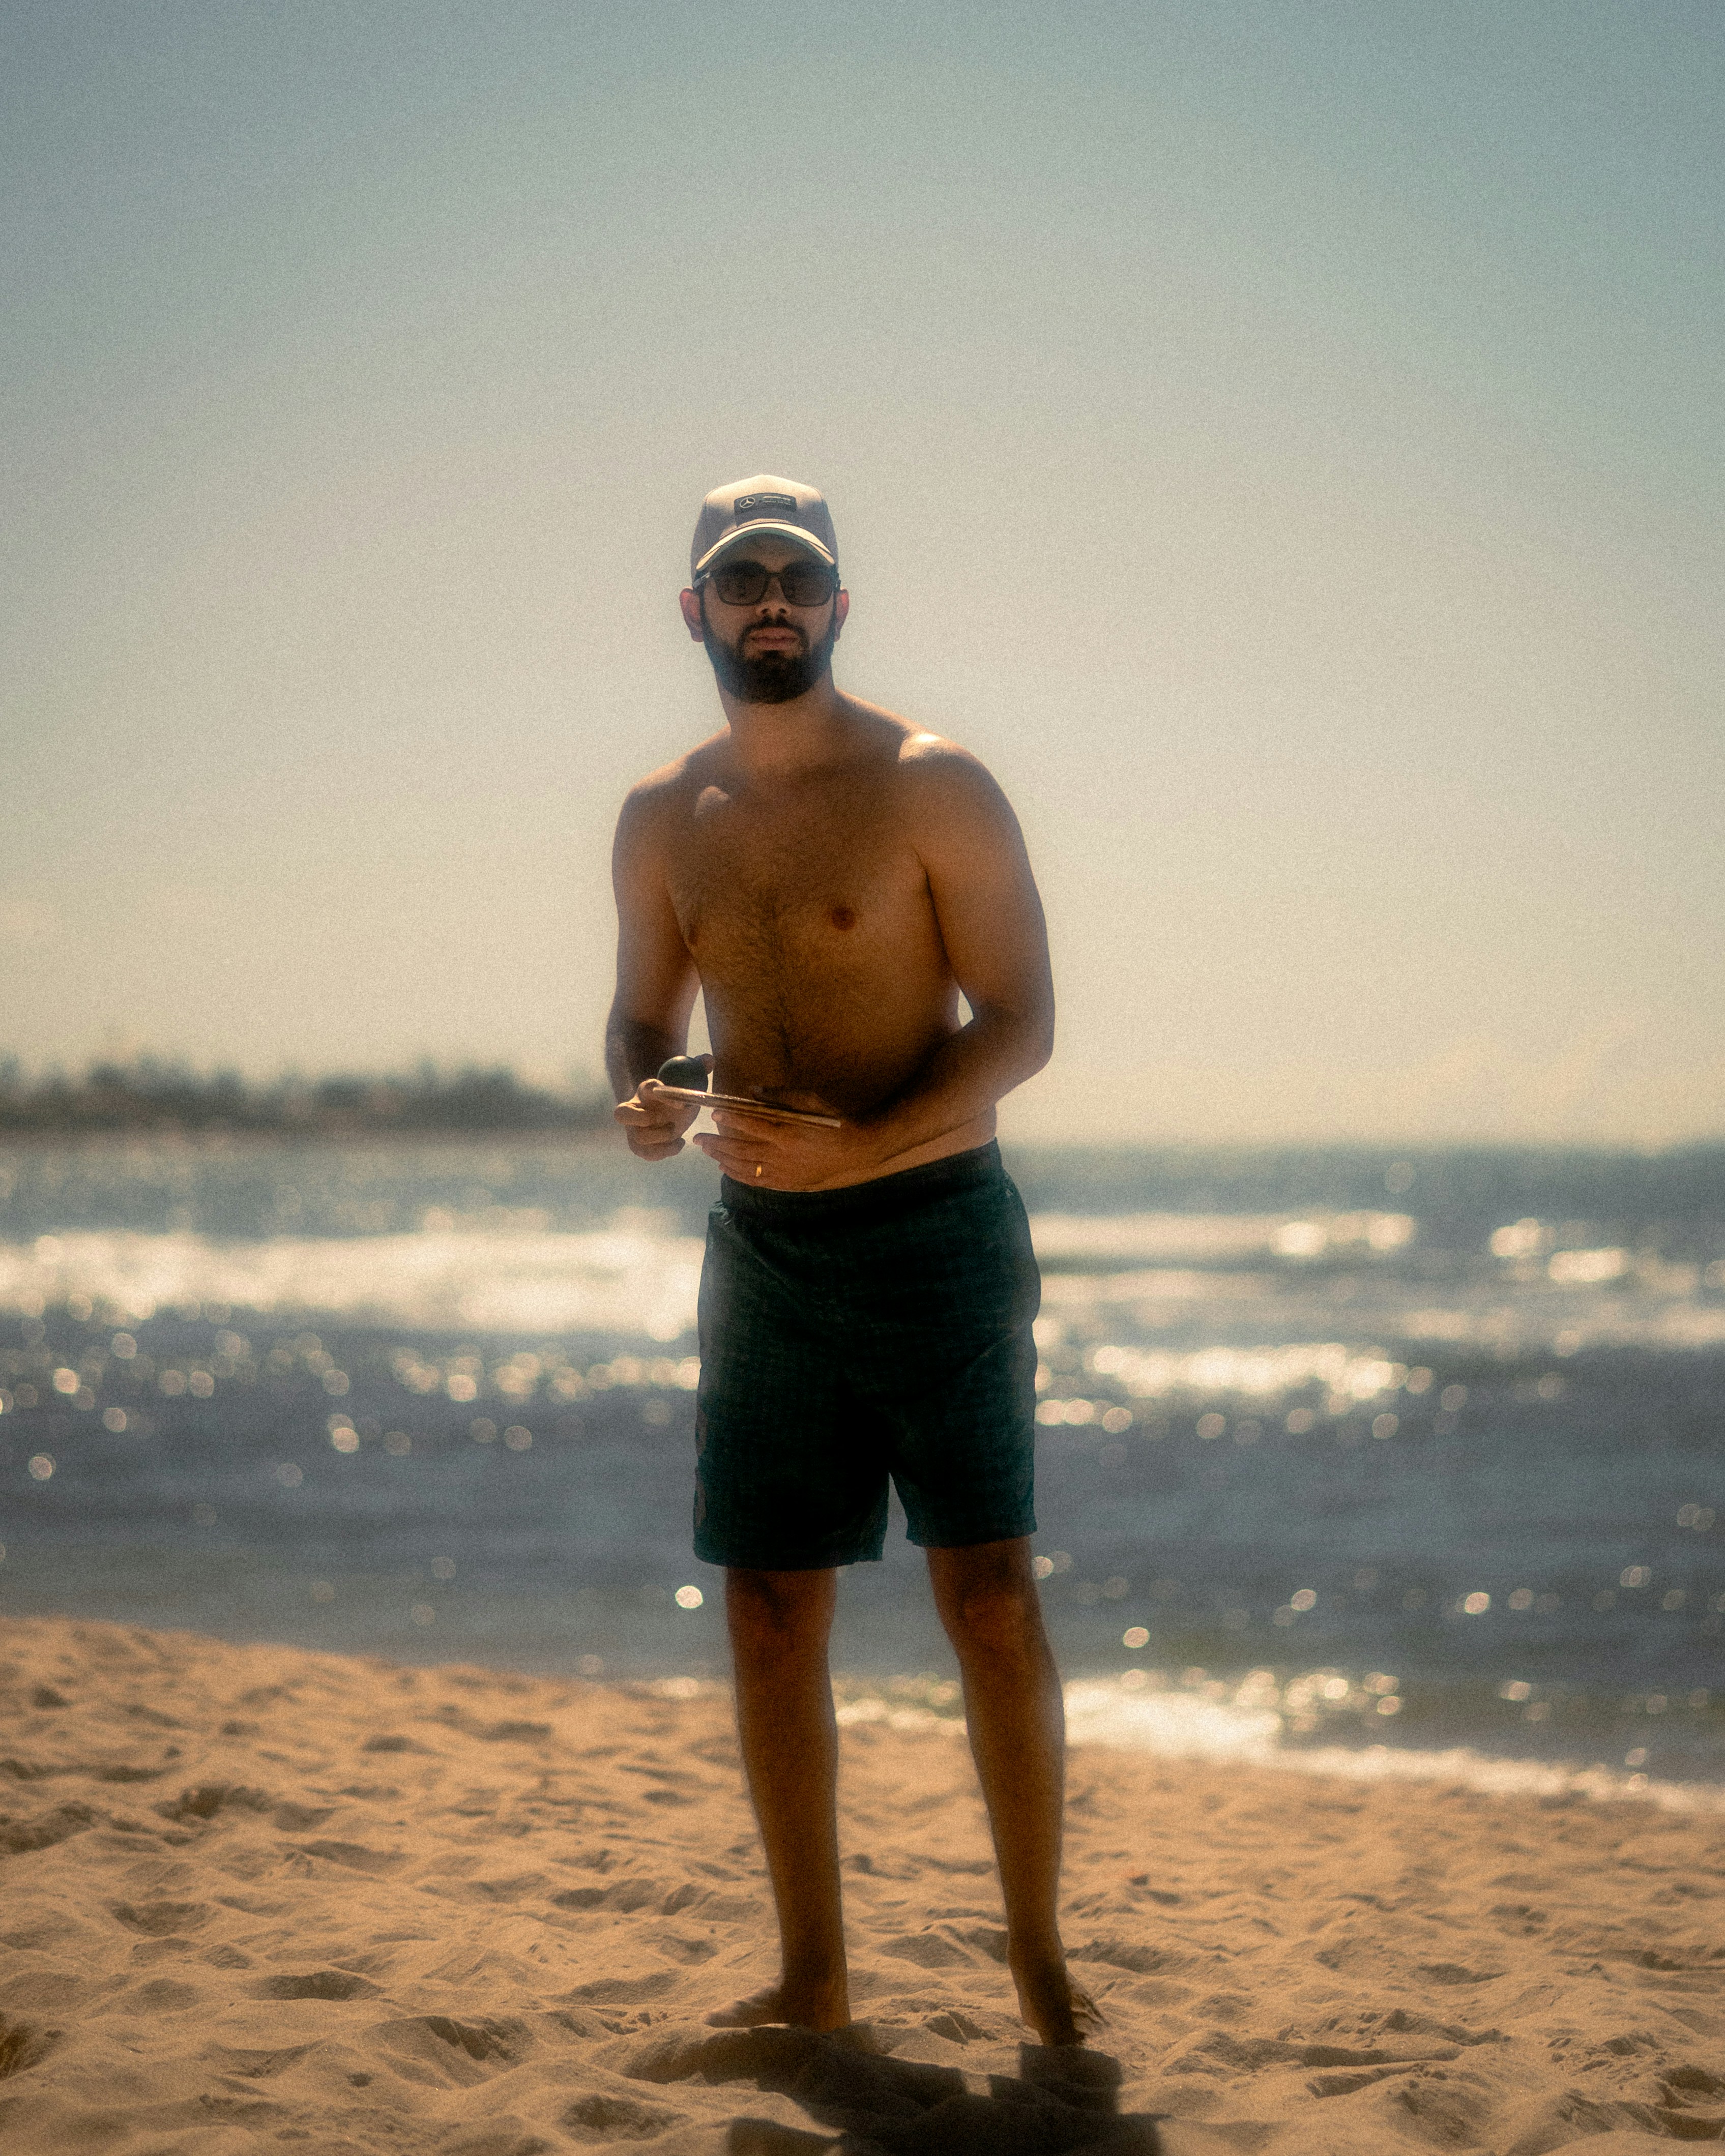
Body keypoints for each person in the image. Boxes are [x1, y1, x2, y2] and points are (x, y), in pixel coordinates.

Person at [607, 474, 1096, 2047]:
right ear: (694, 608)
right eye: (738, 578)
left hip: (939, 1233)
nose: (769, 601)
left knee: (992, 1595)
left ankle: (1036, 1956)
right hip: (765, 1252)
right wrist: (642, 1089)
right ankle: (815, 1978)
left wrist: (863, 1151)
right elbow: (643, 1011)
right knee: (765, 1608)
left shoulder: (935, 785)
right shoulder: (660, 816)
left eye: (796, 579)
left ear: (836, 605)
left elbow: (1021, 1025)